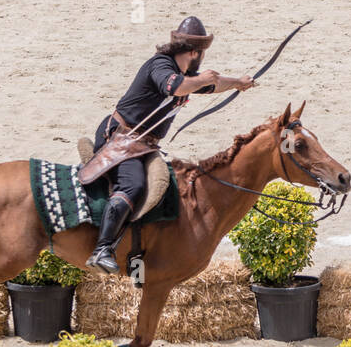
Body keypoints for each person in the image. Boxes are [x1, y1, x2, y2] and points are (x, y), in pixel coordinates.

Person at [86, 18, 255, 273]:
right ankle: (102, 249)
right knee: (133, 185)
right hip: (120, 138)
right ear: (195, 52)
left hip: (141, 144)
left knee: (165, 188)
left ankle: (136, 255)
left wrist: (238, 82)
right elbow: (175, 87)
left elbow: (210, 84)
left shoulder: (185, 74)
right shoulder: (161, 66)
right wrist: (201, 80)